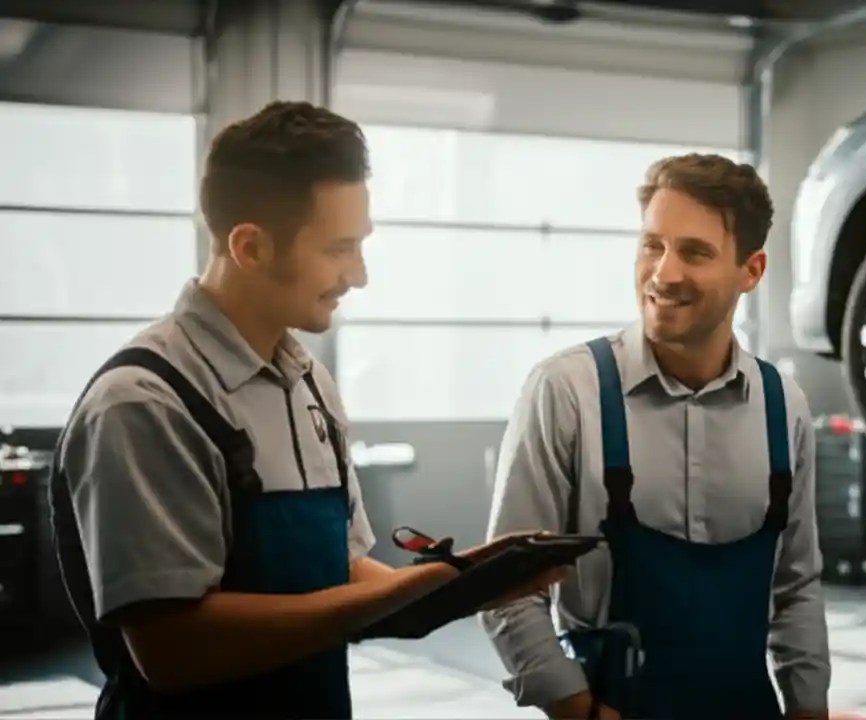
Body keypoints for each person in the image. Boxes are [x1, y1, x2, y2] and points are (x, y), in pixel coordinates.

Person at [50, 101, 562, 720]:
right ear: (250, 247)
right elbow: (173, 650)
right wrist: (410, 590)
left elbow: (341, 574)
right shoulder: (142, 404)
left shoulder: (312, 386)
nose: (360, 275)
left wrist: (464, 583)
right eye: (340, 249)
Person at [480, 154, 831, 719]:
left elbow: (796, 589)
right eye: (652, 245)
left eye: (694, 252)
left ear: (752, 270)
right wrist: (575, 709)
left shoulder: (782, 406)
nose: (664, 273)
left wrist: (808, 708)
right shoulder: (568, 391)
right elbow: (506, 588)